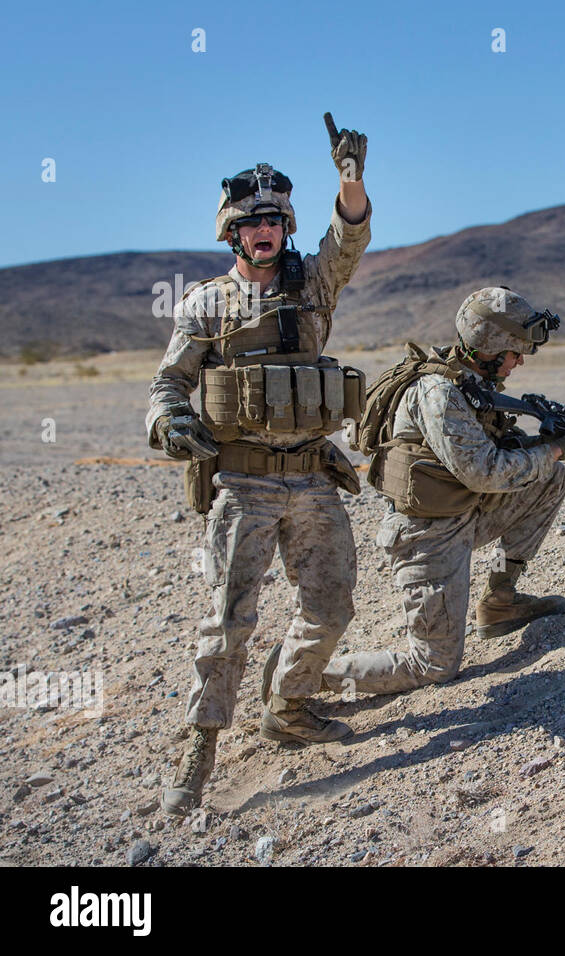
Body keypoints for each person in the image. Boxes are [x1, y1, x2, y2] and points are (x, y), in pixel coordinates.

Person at [147, 114, 372, 817]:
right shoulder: (206, 304)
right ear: (232, 233)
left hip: (309, 475)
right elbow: (166, 385)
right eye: (252, 222)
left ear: (286, 227)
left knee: (331, 608)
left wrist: (350, 177)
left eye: (274, 218)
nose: (264, 229)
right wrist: (168, 421)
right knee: (230, 620)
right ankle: (199, 752)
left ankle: (288, 704)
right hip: (243, 482)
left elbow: (351, 235)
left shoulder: (316, 285)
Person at [304, 287, 565, 696]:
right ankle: (306, 673)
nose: (518, 364)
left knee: (549, 478)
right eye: (515, 354)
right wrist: (555, 448)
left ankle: (500, 598)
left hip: (465, 514)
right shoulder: (439, 394)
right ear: (492, 347)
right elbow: (485, 472)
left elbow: (498, 453)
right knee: (433, 665)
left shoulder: (471, 382)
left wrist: (554, 443)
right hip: (428, 539)